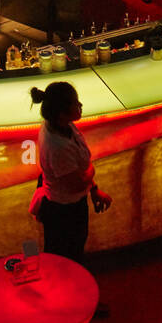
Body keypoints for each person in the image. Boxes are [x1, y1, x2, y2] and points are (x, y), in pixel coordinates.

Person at [31, 81, 111, 263]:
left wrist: (93, 188)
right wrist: (91, 171)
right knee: (65, 259)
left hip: (70, 205)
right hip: (64, 213)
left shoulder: (62, 126)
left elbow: (81, 174)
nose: (81, 105)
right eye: (76, 103)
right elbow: (77, 182)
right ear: (61, 113)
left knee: (70, 253)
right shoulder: (57, 146)